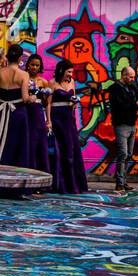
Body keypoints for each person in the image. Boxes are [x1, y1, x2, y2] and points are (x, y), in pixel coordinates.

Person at [0, 45, 37, 191]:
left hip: (2, 113)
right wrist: (33, 97)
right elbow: (25, 98)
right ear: (20, 58)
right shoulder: (23, 75)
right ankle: (16, 187)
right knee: (18, 147)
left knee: (0, 145)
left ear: (7, 57)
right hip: (18, 114)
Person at [47, 59, 89, 194]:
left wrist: (74, 103)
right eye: (69, 71)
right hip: (57, 118)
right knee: (60, 150)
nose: (71, 74)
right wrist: (49, 121)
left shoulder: (72, 82)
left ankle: (73, 183)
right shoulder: (52, 83)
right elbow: (48, 103)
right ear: (61, 71)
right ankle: (60, 184)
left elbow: (74, 100)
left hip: (69, 118)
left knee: (71, 149)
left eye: (72, 72)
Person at [106, 66, 138, 193]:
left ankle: (124, 181)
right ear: (124, 75)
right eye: (131, 76)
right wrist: (135, 104)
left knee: (129, 155)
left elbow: (133, 103)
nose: (133, 79)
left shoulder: (131, 87)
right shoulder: (116, 88)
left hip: (132, 124)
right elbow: (121, 106)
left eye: (133, 76)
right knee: (123, 154)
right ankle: (119, 184)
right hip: (121, 125)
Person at [24, 53, 53, 176]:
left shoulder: (44, 82)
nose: (34, 67)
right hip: (26, 112)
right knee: (27, 143)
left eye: (37, 65)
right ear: (28, 65)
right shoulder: (23, 78)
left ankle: (40, 175)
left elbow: (47, 104)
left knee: (39, 144)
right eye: (32, 64)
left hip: (38, 114)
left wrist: (49, 121)